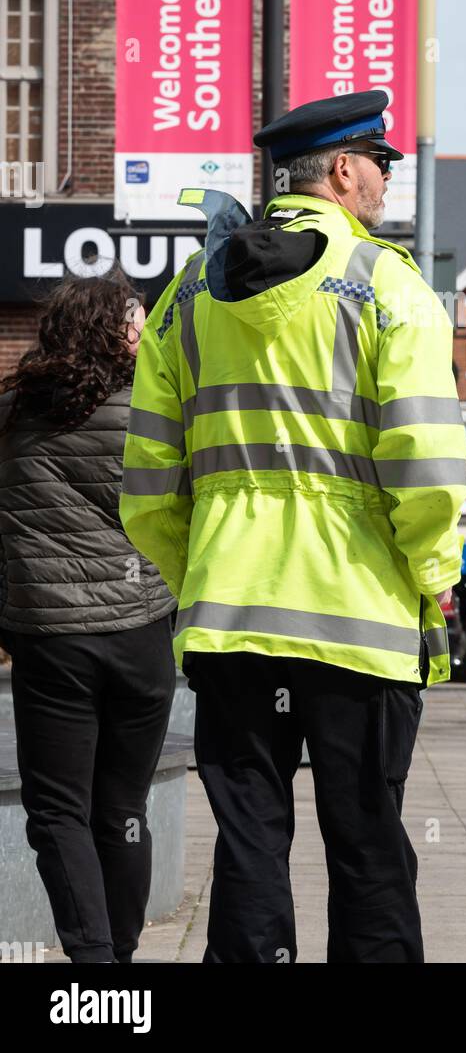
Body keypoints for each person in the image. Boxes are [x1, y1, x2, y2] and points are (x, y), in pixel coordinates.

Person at [120, 89, 466, 964]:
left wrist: (199, 566)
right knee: (366, 843)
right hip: (360, 624)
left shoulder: (186, 295)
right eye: (381, 165)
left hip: (229, 619)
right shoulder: (390, 288)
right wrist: (434, 572)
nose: (386, 183)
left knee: (248, 843)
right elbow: (423, 462)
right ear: (343, 172)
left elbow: (150, 487)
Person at [0, 270, 176, 964]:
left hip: (51, 637)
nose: (144, 332)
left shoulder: (12, 413)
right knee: (124, 808)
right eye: (135, 321)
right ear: (116, 334)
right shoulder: (158, 417)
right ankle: (120, 965)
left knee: (58, 813)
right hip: (141, 636)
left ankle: (95, 965)